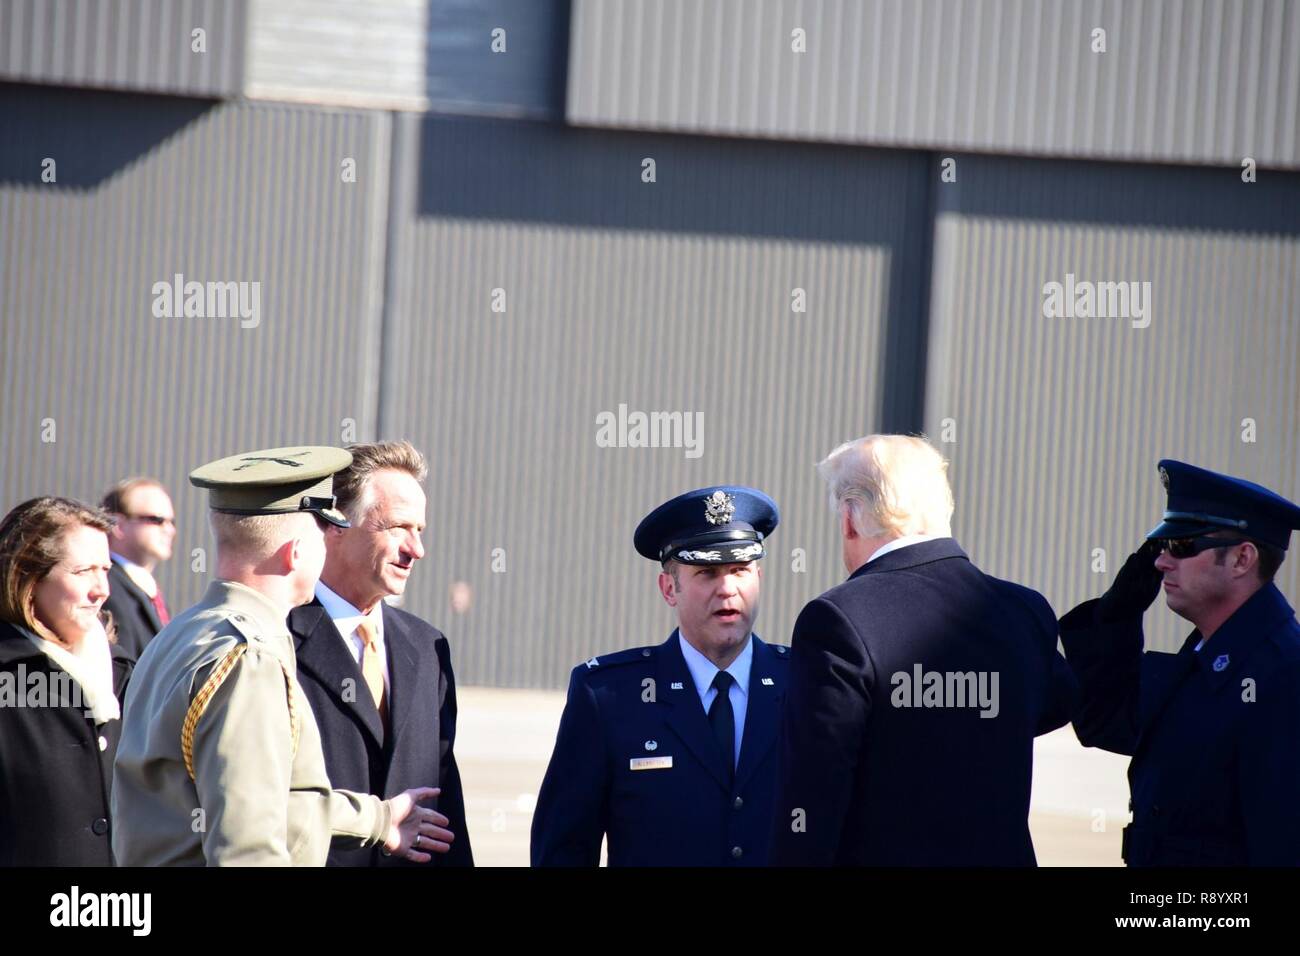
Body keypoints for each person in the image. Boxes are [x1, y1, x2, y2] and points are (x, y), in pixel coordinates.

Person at [112, 445, 449, 866]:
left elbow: (276, 801)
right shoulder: (249, 658)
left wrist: (377, 820)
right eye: (321, 535)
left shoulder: (181, 634)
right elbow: (248, 848)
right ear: (296, 552)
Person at [770, 435, 1078, 866]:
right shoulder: (1023, 610)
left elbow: (815, 788)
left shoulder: (838, 618)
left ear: (849, 519)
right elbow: (1057, 703)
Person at [1060, 459, 1300, 866]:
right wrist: (1115, 620)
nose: (1161, 562)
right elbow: (1105, 722)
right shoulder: (1206, 657)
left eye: (1183, 546)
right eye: (1162, 546)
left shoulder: (1281, 677)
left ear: (1243, 559)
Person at [532, 485, 787, 866]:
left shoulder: (806, 684)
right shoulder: (609, 696)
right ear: (670, 588)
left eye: (740, 570)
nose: (728, 589)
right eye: (707, 572)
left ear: (759, 578)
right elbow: (563, 849)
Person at [289, 440, 472, 866]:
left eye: (420, 531)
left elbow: (447, 804)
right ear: (335, 524)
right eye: (397, 528)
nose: (416, 549)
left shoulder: (427, 648)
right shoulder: (276, 640)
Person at [0, 497, 132, 865]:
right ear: (28, 576)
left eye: (105, 569)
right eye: (83, 571)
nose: (101, 589)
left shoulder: (124, 674)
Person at [101, 477, 177, 660]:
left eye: (171, 522)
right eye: (156, 520)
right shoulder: (105, 587)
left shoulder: (147, 590)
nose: (169, 530)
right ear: (118, 525)